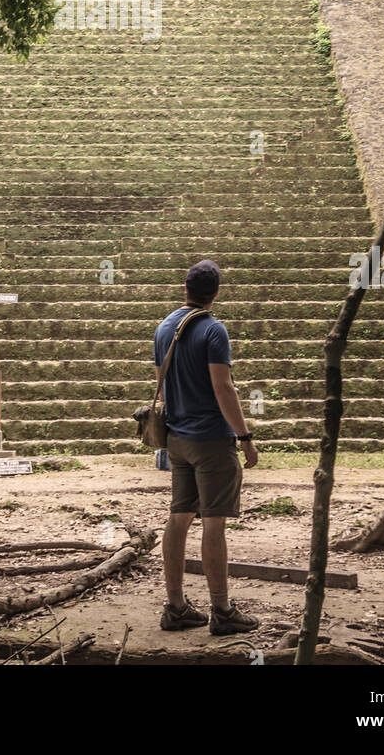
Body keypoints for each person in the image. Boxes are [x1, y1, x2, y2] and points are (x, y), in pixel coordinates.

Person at [153, 258, 260, 635]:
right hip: (211, 440)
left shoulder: (164, 327)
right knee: (214, 523)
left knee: (179, 517)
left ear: (185, 287)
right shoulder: (214, 330)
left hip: (177, 439)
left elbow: (163, 386)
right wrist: (244, 437)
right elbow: (223, 387)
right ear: (216, 293)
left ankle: (176, 606)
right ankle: (223, 611)